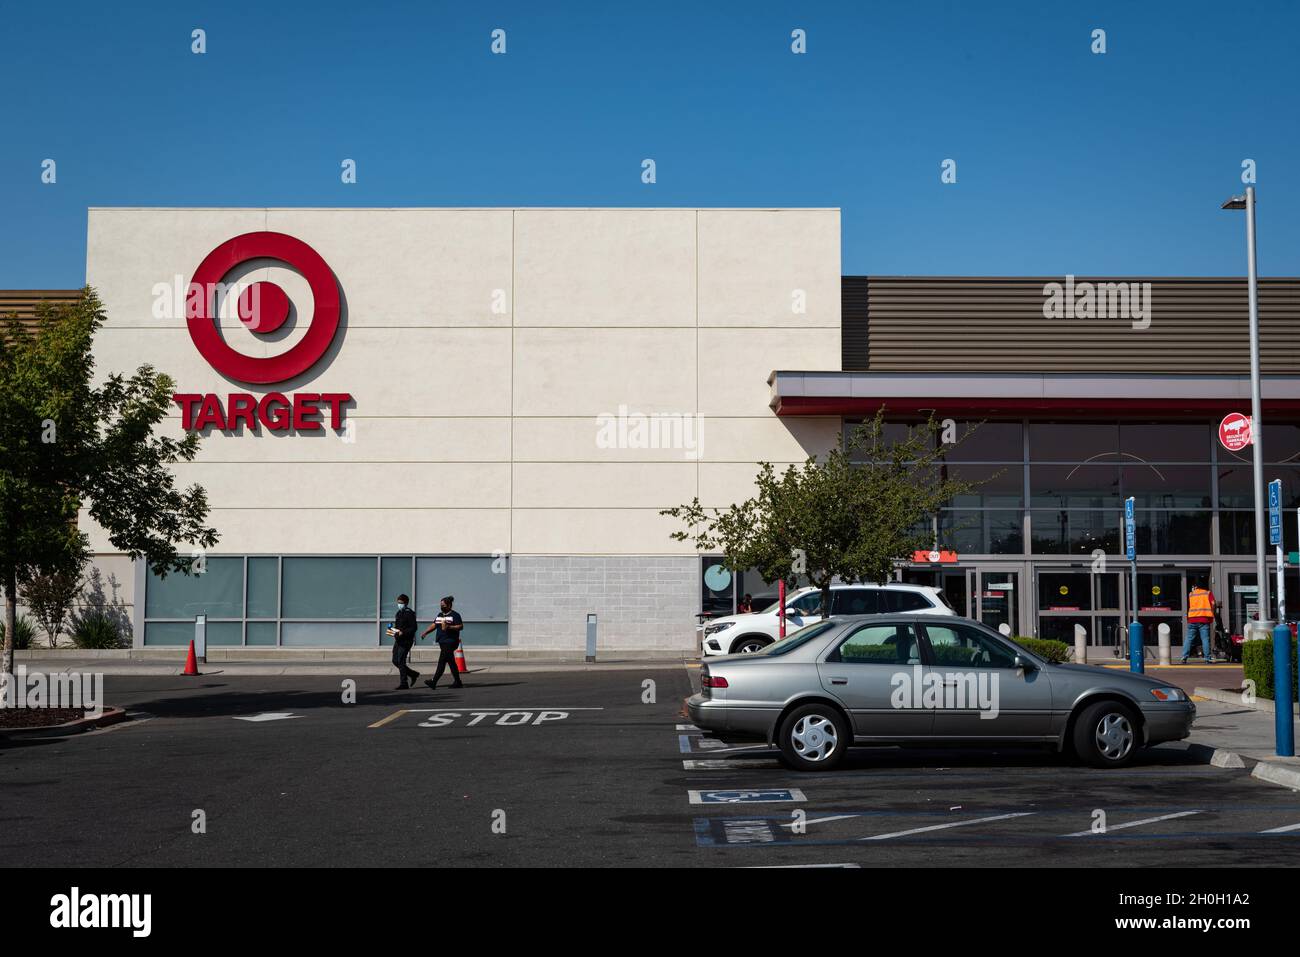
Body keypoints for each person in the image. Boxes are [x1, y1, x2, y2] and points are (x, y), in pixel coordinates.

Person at [421, 595, 464, 690]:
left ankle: (434, 681)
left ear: (449, 605)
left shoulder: (455, 615)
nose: (442, 606)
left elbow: (460, 626)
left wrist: (449, 627)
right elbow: (434, 625)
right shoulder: (440, 615)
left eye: (443, 605)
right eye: (441, 605)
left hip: (450, 641)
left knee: (442, 661)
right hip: (442, 641)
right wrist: (426, 632)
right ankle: (458, 682)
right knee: (451, 662)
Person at [1181, 579, 1218, 664]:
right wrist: (1212, 613)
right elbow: (1213, 603)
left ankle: (1184, 657)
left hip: (1192, 619)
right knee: (1205, 639)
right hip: (1204, 619)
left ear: (1196, 586)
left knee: (1189, 639)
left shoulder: (1191, 594)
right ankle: (1207, 658)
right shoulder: (1207, 593)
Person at [390, 594, 419, 689]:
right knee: (395, 661)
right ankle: (413, 674)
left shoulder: (409, 613)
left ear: (406, 603)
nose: (399, 604)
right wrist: (392, 630)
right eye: (398, 602)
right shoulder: (399, 613)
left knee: (401, 661)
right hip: (398, 640)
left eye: (401, 603)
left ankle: (404, 683)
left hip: (406, 641)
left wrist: (404, 632)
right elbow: (398, 626)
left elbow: (414, 627)